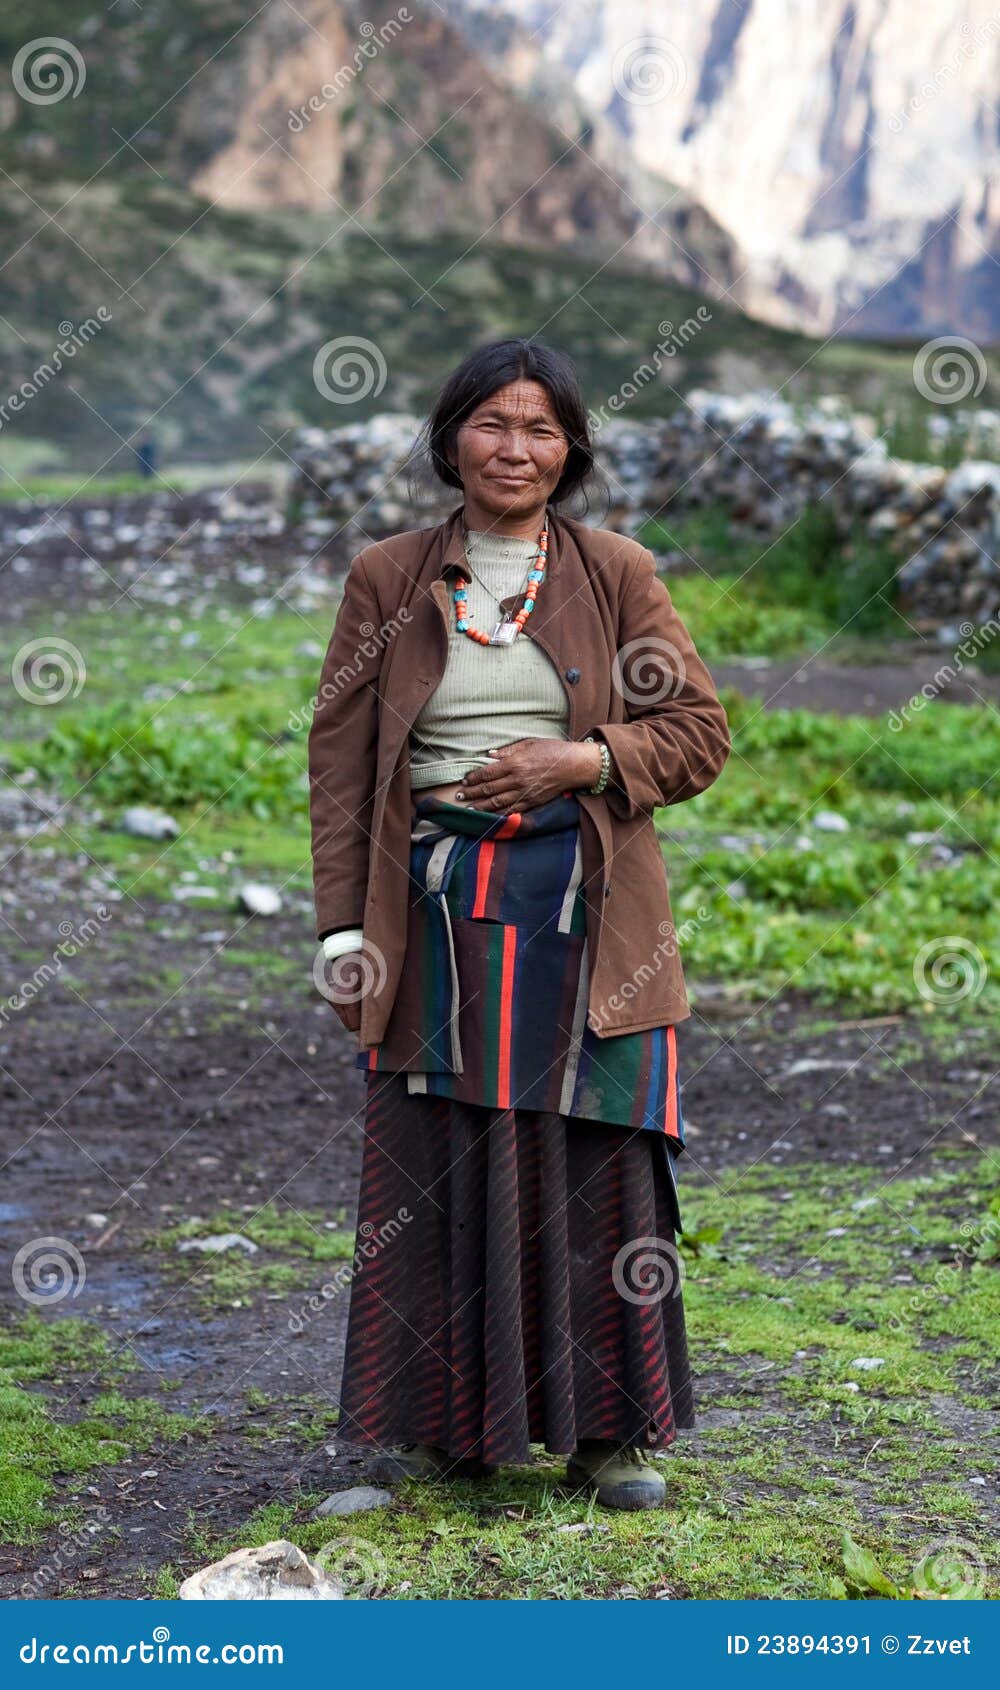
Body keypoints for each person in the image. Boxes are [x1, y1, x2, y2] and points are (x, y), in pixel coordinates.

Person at [307, 338, 731, 1509]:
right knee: (430, 1174)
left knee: (596, 1161)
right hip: (433, 911)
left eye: (541, 428)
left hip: (589, 913)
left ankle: (608, 1437)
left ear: (571, 449)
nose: (516, 447)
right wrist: (343, 925)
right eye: (492, 424)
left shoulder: (615, 575)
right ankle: (428, 1434)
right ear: (451, 440)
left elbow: (698, 734)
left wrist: (584, 756)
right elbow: (340, 765)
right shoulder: (389, 580)